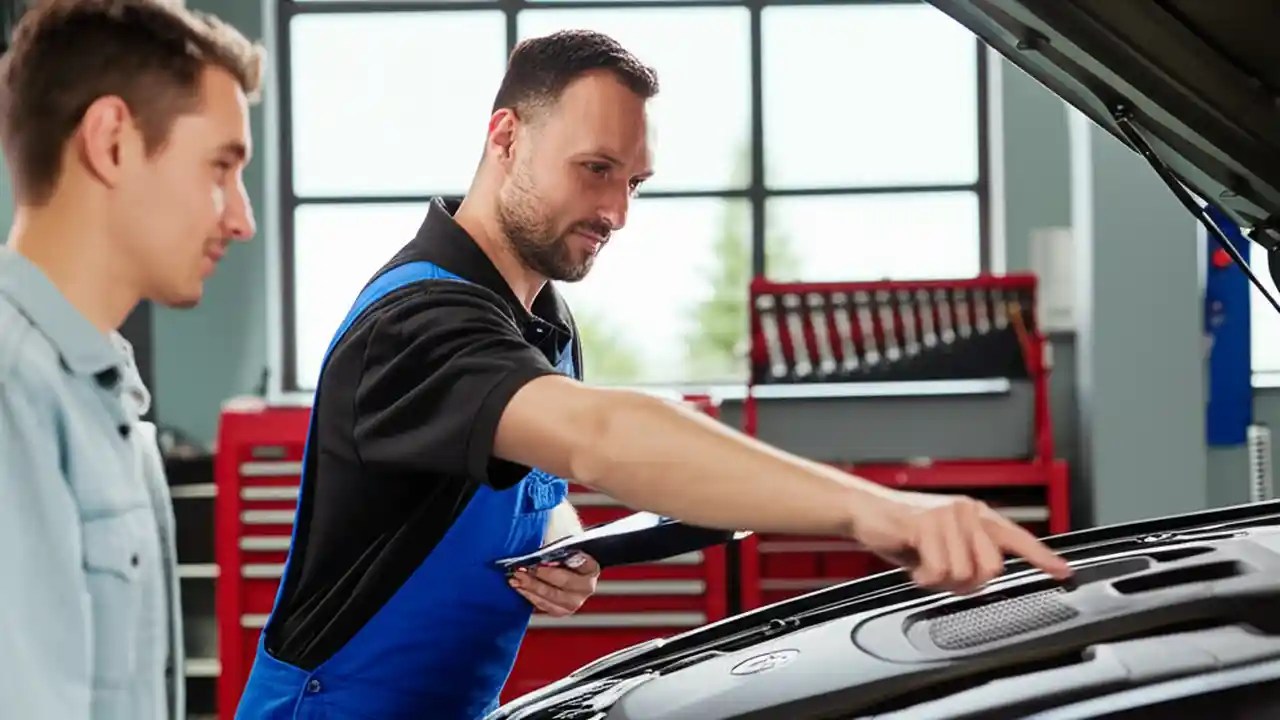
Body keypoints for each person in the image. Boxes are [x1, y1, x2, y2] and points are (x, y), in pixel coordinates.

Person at [237, 29, 1072, 720]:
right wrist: (873, 508)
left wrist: (560, 542)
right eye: (595, 168)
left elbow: (531, 480)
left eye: (633, 182)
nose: (616, 213)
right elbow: (601, 436)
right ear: (505, 137)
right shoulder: (417, 322)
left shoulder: (538, 317)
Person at [0, 1, 263, 718]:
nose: (242, 218)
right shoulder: (13, 397)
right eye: (221, 167)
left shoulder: (105, 398)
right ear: (112, 141)